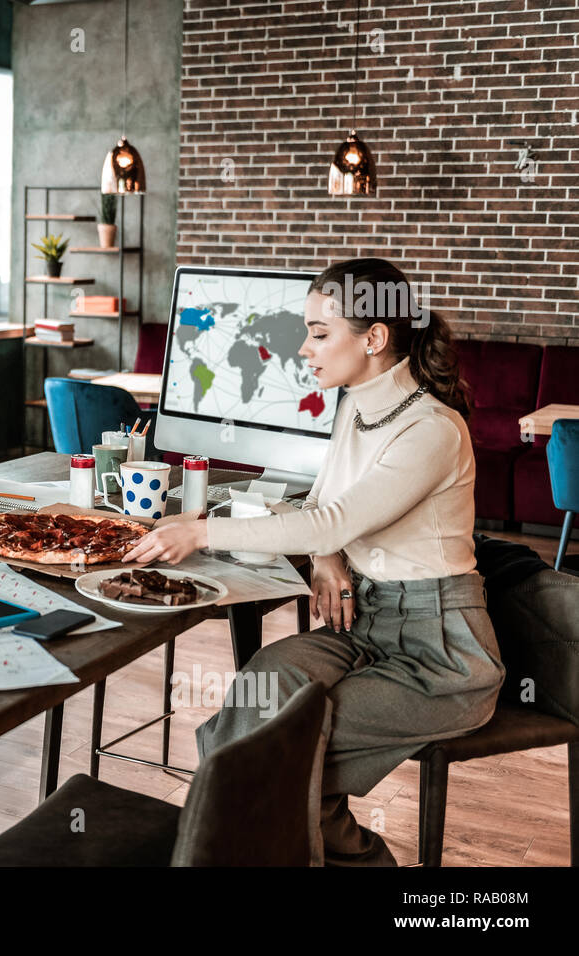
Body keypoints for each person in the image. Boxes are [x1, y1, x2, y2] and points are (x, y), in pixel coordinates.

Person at [122, 257, 505, 865]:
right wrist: (327, 558)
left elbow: (335, 519)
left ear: (374, 338)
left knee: (282, 751)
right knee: (256, 696)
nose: (304, 347)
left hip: (442, 652)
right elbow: (326, 508)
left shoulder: (434, 429)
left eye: (320, 333)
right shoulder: (356, 402)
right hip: (366, 621)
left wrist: (203, 530)